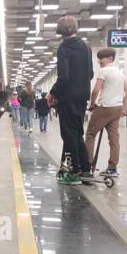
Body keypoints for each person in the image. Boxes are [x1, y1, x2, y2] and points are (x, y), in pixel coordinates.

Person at [48, 16, 94, 185]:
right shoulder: (86, 47)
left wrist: (52, 92)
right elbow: (90, 74)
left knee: (68, 135)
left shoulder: (63, 48)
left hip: (67, 97)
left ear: (60, 30)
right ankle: (85, 170)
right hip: (82, 97)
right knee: (77, 133)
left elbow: (64, 76)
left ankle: (73, 172)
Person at [84, 48, 127, 176]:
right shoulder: (120, 73)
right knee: (114, 139)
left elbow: (95, 91)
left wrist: (91, 104)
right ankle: (112, 168)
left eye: (102, 58)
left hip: (104, 107)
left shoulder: (104, 71)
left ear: (110, 58)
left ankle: (87, 165)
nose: (99, 60)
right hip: (116, 108)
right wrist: (124, 109)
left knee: (90, 135)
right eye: (99, 58)